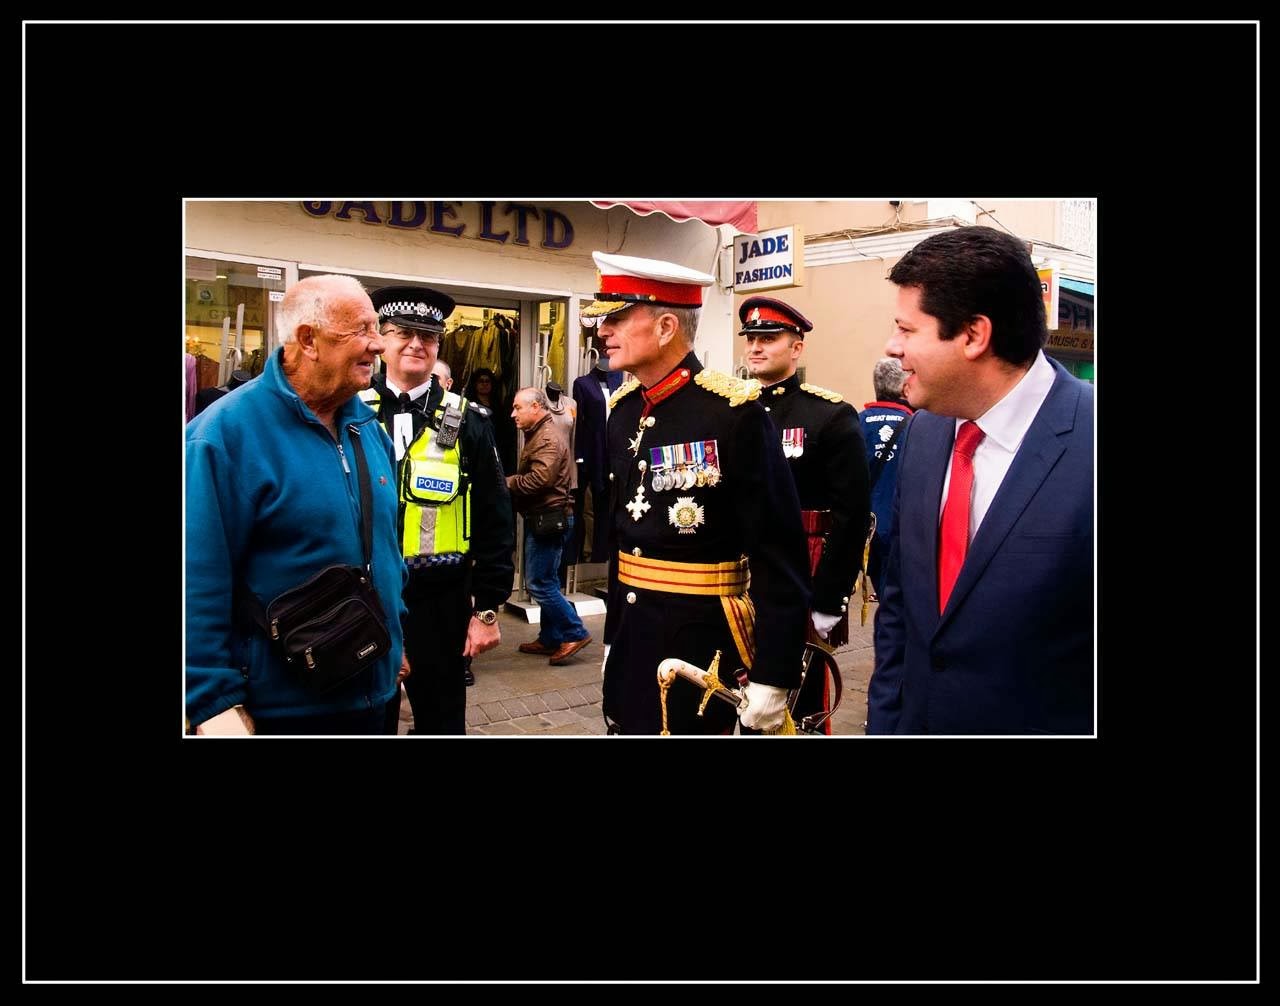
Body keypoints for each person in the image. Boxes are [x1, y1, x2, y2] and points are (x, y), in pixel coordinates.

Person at [867, 226, 1094, 735]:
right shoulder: (923, 434)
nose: (892, 346)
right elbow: (900, 610)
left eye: (907, 329)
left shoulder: (1089, 442)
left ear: (973, 335)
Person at [586, 251, 811, 735]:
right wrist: (612, 640)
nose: (603, 330)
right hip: (633, 634)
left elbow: (779, 556)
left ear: (667, 326)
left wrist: (774, 677)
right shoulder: (623, 410)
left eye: (618, 318)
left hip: (701, 643)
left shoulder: (734, 414)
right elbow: (623, 542)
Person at [185, 274, 409, 735]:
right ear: (308, 340)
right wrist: (212, 701)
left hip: (373, 693)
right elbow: (196, 578)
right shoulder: (222, 437)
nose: (378, 345)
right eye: (362, 331)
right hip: (283, 711)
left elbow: (388, 549)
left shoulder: (367, 429)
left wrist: (396, 639)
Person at [361, 285, 515, 733]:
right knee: (370, 715)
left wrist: (487, 608)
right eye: (404, 333)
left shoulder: (467, 419)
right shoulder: (351, 410)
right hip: (364, 597)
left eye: (428, 336)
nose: (416, 344)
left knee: (442, 719)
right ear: (382, 340)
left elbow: (495, 519)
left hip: (439, 600)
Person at [739, 295, 869, 734]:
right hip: (739, 582)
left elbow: (851, 517)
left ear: (797, 348)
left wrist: (829, 600)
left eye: (769, 339)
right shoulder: (735, 410)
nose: (756, 347)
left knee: (799, 703)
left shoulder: (828, 415)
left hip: (803, 576)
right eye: (751, 339)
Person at [507, 386, 592, 664]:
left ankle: (574, 631)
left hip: (549, 517)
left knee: (539, 583)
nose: (513, 414)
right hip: (545, 516)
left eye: (518, 408)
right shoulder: (539, 433)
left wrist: (507, 483)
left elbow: (538, 480)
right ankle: (550, 637)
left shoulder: (546, 438)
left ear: (536, 407)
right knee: (547, 579)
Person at [858, 357, 914, 593]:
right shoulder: (916, 425)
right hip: (902, 529)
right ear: (904, 386)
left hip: (867, 528)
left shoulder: (856, 423)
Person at [467, 366, 516, 476]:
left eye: (487, 381)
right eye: (481, 381)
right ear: (475, 384)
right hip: (480, 449)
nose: (484, 384)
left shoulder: (498, 405)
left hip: (499, 448)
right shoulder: (470, 405)